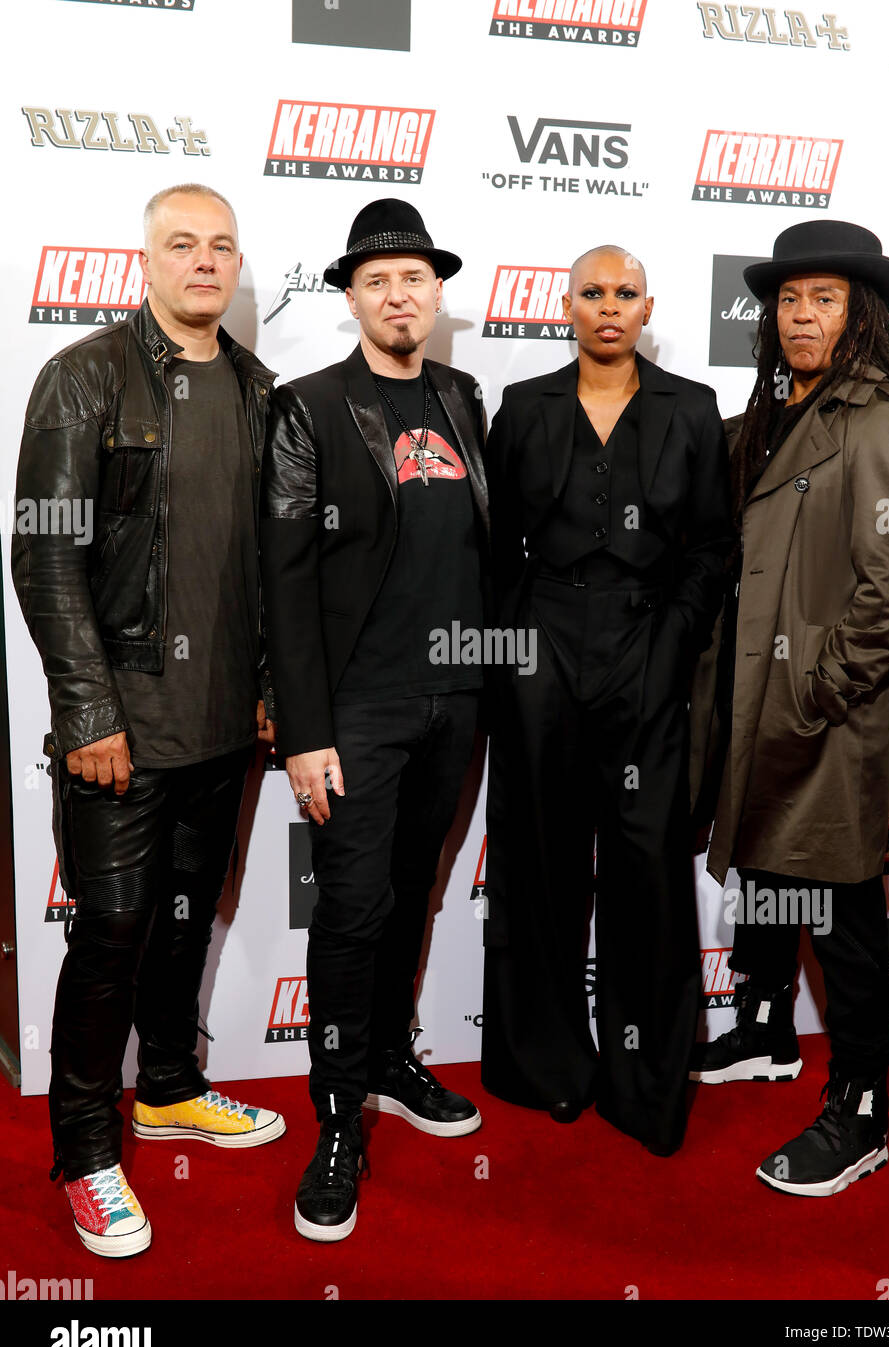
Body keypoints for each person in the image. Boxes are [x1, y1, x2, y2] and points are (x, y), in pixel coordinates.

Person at [12, 184, 284, 1258]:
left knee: (183, 919)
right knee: (112, 931)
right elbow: (45, 552)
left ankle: (168, 1086)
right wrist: (85, 707)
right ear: (148, 260)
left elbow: (271, 562)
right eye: (183, 244)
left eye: (222, 246)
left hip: (224, 725)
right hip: (119, 725)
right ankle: (84, 1150)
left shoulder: (260, 389)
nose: (205, 262)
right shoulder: (83, 379)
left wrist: (267, 686)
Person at [690, 219, 889, 1196]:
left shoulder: (883, 418)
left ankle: (864, 1105)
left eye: (823, 299)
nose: (801, 315)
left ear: (863, 313)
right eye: (788, 300)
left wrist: (820, 691)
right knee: (761, 868)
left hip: (820, 712)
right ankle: (764, 1029)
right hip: (758, 701)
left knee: (841, 906)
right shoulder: (780, 410)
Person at [261, 199, 488, 1243]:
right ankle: (338, 1117)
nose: (400, 296)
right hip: (357, 709)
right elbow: (286, 581)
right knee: (352, 911)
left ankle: (391, 1058)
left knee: (411, 894)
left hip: (456, 703)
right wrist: (304, 730)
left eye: (416, 279)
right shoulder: (310, 406)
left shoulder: (462, 397)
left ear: (436, 293)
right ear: (352, 295)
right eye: (378, 281)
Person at [480, 245, 732, 1156]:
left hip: (646, 648)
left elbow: (712, 548)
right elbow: (496, 545)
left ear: (648, 307)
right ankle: (548, 1064)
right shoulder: (524, 408)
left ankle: (645, 1080)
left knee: (648, 866)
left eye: (626, 293)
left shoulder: (692, 410)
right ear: (568, 306)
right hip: (542, 645)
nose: (610, 307)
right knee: (542, 860)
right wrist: (515, 655)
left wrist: (670, 645)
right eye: (593, 293)